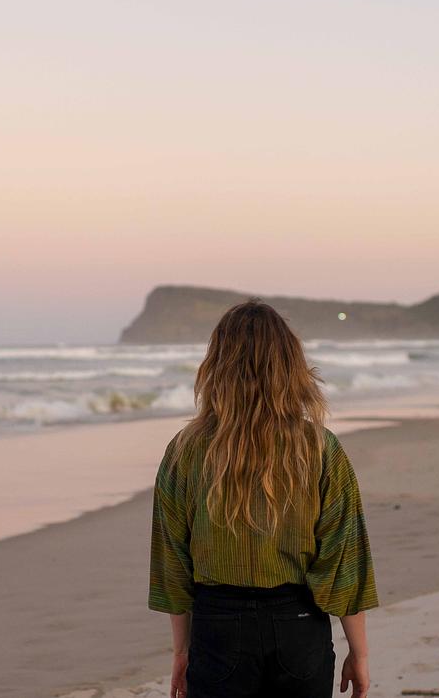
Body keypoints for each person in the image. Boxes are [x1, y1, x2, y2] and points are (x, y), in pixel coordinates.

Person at [148, 299, 378, 698]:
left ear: (217, 365)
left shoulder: (184, 451)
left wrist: (181, 651)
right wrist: (359, 652)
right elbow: (343, 562)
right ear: (290, 366)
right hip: (299, 626)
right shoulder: (321, 449)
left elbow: (173, 565)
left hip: (216, 629)